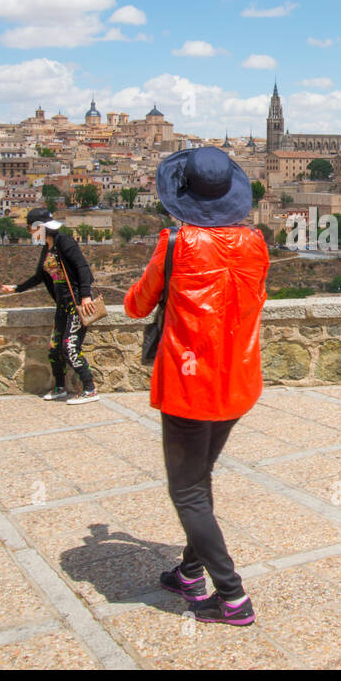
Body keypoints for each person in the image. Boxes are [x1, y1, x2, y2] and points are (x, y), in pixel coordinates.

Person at [124, 146, 269, 626]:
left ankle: (232, 596)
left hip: (190, 386)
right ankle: (189, 572)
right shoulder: (257, 244)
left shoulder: (174, 244)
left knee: (187, 490)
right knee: (199, 481)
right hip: (238, 381)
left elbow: (136, 306)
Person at [0, 207, 98, 404]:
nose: (30, 232)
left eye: (30, 228)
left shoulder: (64, 242)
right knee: (54, 349)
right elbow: (40, 276)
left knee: (69, 347)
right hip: (62, 305)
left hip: (75, 304)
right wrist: (17, 288)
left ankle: (90, 388)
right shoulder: (48, 248)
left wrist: (86, 295)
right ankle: (60, 387)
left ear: (40, 227)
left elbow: (82, 267)